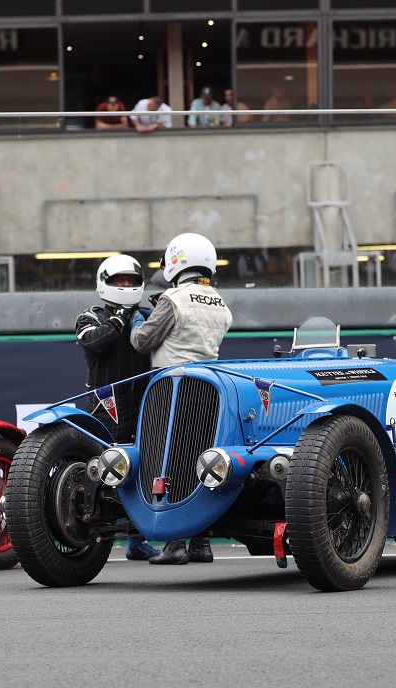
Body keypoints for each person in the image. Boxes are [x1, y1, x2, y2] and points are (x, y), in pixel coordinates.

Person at [131, 233, 233, 565]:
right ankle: (201, 543)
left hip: (172, 389)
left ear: (176, 262)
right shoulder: (219, 301)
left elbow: (143, 342)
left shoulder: (172, 298)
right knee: (201, 462)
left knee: (167, 460)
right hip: (210, 390)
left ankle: (174, 544)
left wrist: (136, 321)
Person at [75, 255, 157, 562]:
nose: (126, 286)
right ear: (105, 283)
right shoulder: (90, 316)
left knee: (142, 467)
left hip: (142, 401)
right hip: (105, 405)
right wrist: (119, 319)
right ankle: (92, 535)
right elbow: (93, 343)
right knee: (103, 467)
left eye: (131, 281)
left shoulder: (146, 316)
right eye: (120, 281)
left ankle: (137, 540)